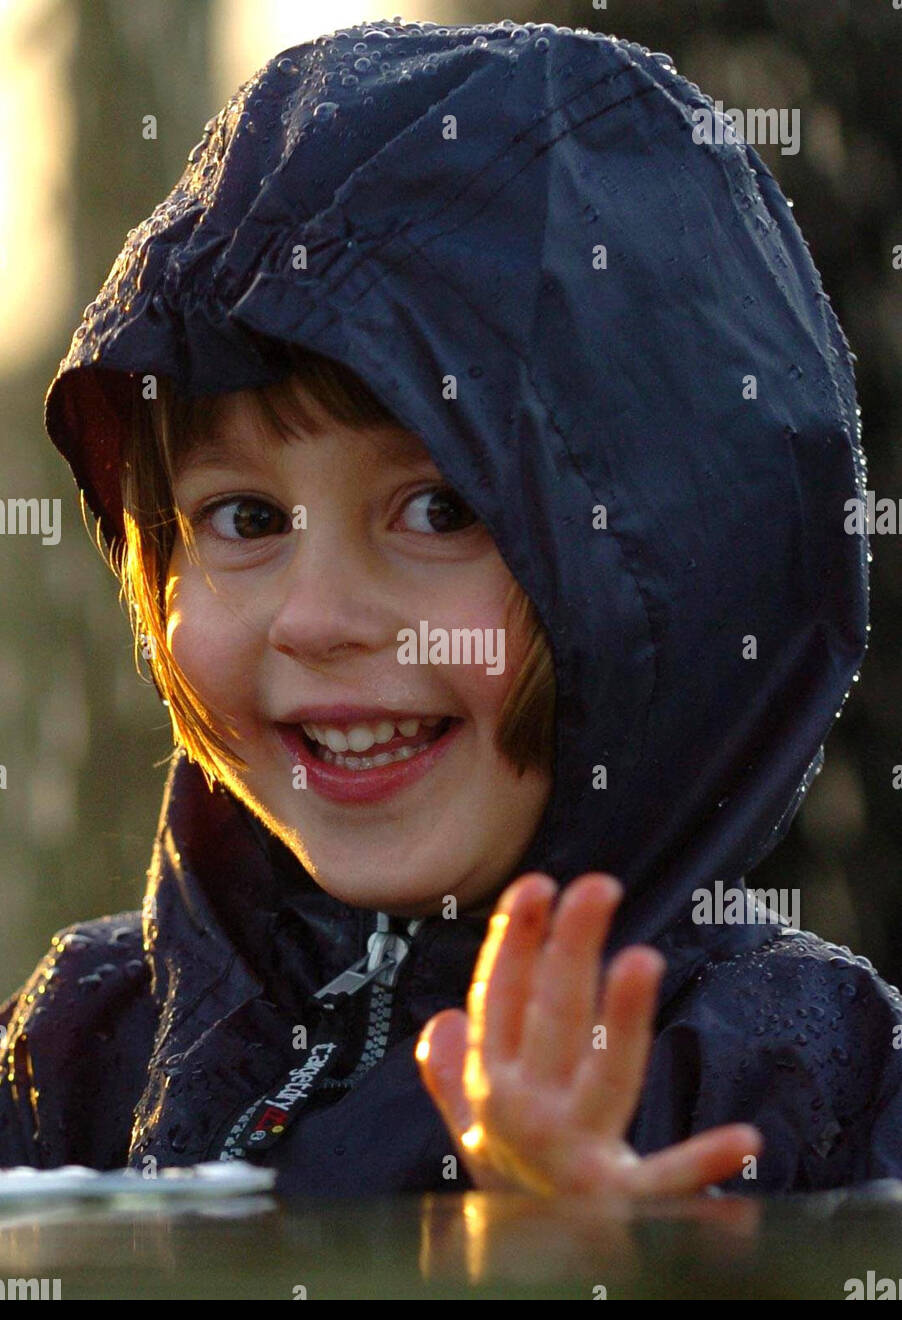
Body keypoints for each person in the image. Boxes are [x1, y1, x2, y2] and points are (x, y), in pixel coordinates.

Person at [3, 18, 899, 1198]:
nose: (315, 618)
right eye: (246, 520)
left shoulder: (795, 1078)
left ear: (669, 553)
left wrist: (605, 1268)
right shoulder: (77, 1044)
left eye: (438, 511)